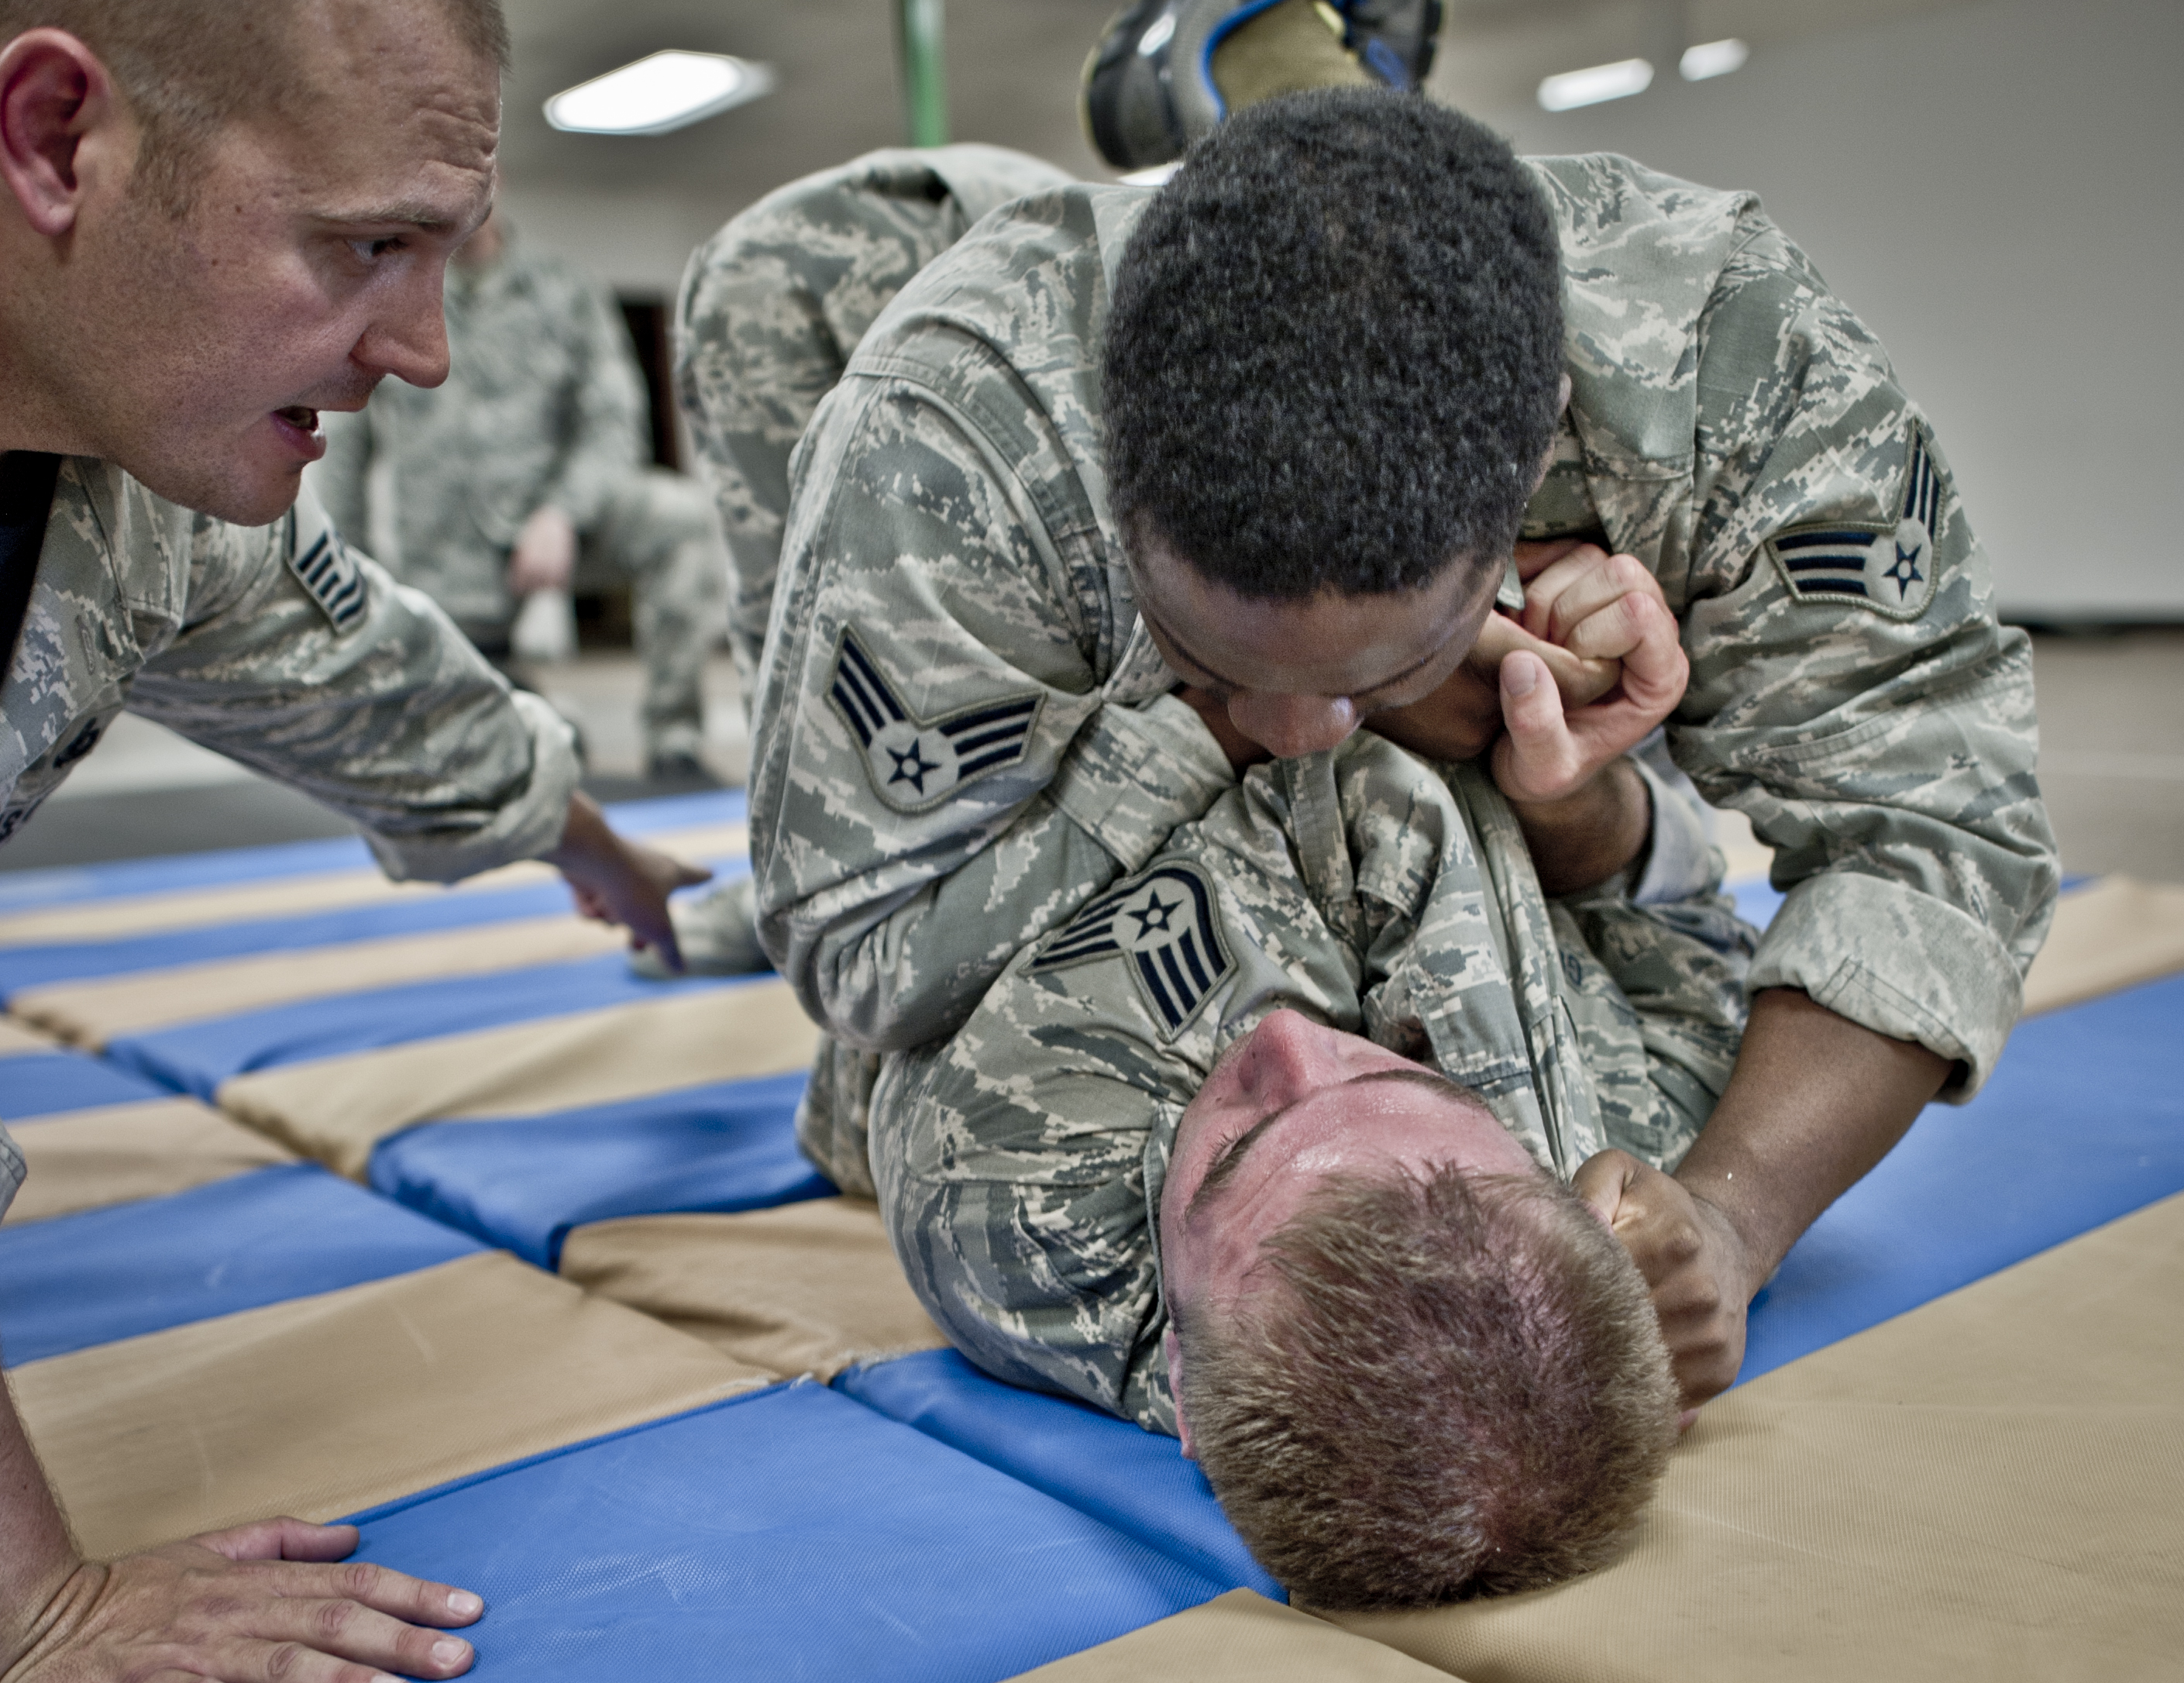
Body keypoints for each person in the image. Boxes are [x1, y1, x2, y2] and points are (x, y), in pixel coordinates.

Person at [719, 89, 2056, 1436]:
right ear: (1107, 465)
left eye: (1372, 670)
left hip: (1534, 930)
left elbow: (1932, 839)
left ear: (1533, 466)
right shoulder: (957, 434)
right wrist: (1202, 726)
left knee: (1530, 1259)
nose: (1303, 727)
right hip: (1069, 936)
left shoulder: (1730, 368)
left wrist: (1728, 1213)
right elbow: (860, 942)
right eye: (1204, 652)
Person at [0, 2, 702, 1675]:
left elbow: (367, 674)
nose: (425, 353)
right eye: (368, 246)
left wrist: (581, 834)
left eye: (443, 254)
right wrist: (36, 1599)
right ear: (54, 141)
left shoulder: (135, 482)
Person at [884, 727, 1718, 1605]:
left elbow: (1367, 787)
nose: (1288, 1040)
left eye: (1235, 1148)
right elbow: (1692, 936)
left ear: (1181, 1379)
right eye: (1413, 1077)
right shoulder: (1635, 1149)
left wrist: (1516, 1074)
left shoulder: (1006, 1183)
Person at [312, 201, 731, 782]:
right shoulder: (384, 295)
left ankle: (673, 737)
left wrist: (562, 512)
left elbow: (613, 421)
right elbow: (345, 445)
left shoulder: (566, 290)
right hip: (448, 555)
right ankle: (537, 714)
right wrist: (355, 579)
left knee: (678, 518)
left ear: (492, 177)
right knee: (450, 754)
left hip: (564, 527)